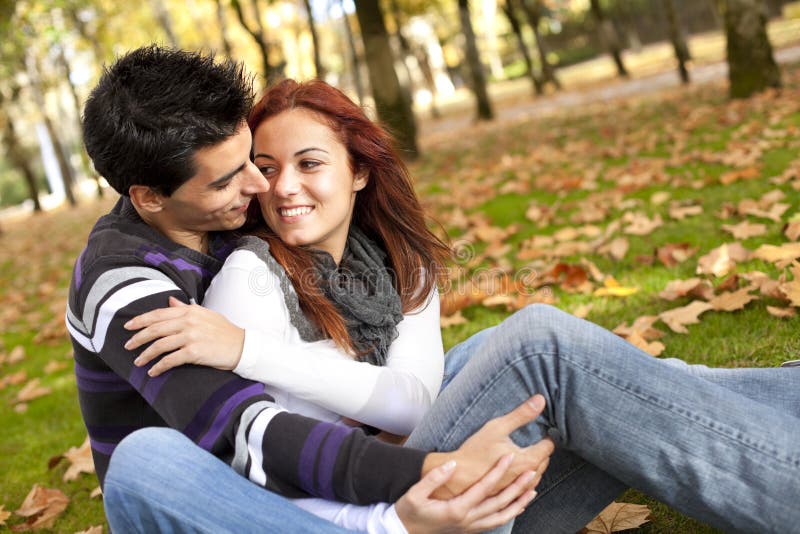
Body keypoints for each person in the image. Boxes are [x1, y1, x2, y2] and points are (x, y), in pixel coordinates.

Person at [123, 78, 800, 533]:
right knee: (538, 348)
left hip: (441, 494)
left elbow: (416, 401)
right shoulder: (250, 275)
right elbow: (268, 474)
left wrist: (261, 357)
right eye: (265, 169)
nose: (283, 187)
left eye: (309, 163)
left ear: (359, 169)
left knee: (614, 379)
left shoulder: (396, 262)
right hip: (370, 512)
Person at [68, 45, 554, 534]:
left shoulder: (235, 216)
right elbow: (243, 434)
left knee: (517, 350)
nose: (264, 186)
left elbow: (401, 398)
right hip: (210, 503)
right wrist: (422, 484)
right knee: (146, 461)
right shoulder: (123, 287)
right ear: (150, 198)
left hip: (321, 481)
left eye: (250, 159)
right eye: (230, 177)